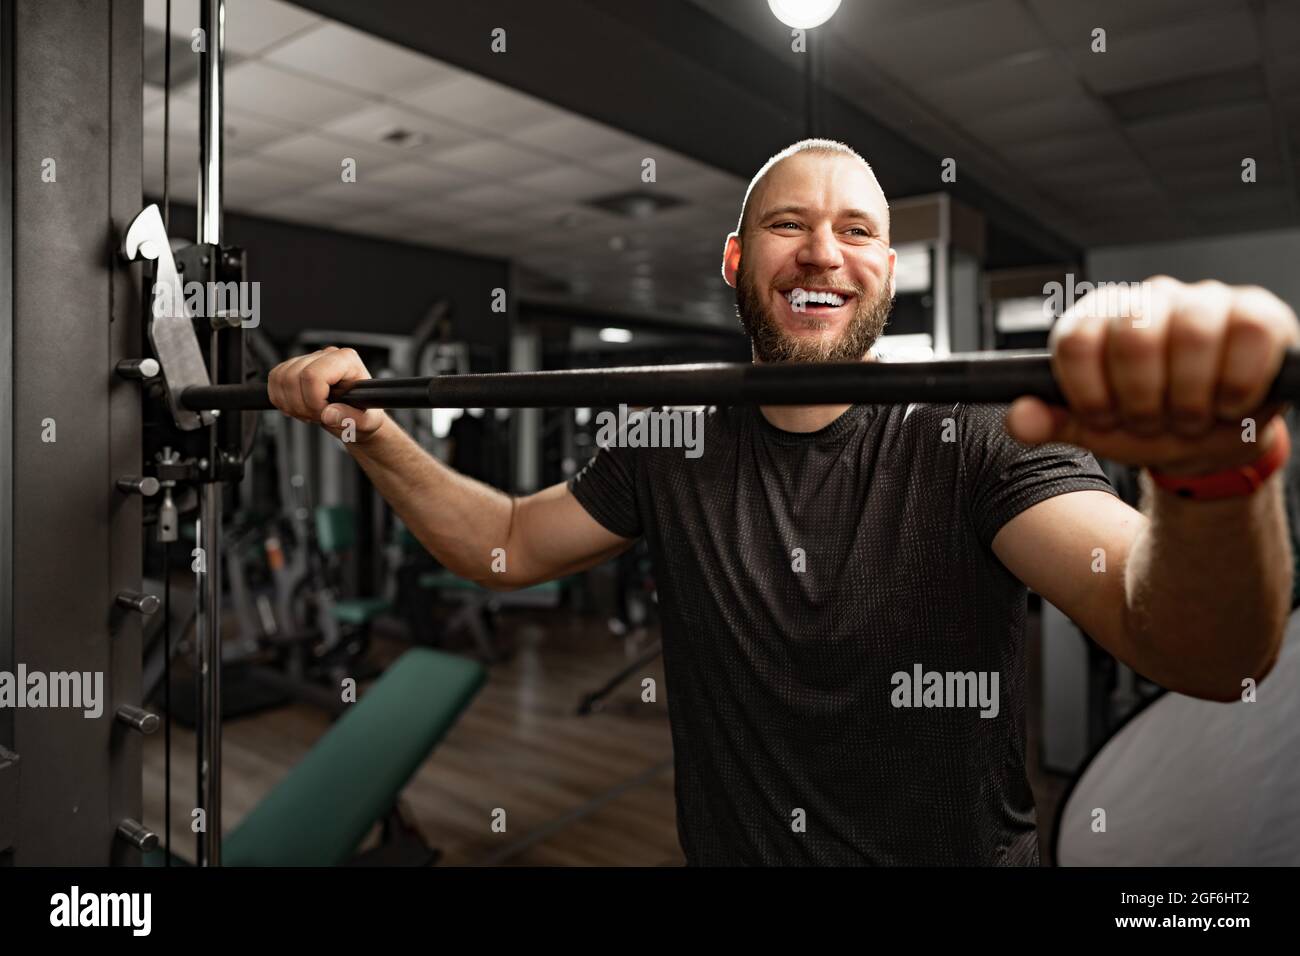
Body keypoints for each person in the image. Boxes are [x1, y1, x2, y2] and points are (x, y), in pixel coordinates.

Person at [266, 139, 1298, 865]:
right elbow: (500, 543)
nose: (820, 252)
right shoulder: (668, 438)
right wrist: (364, 425)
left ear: (886, 274)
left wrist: (1208, 480)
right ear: (733, 259)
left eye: (856, 231)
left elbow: (1199, 651)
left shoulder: (969, 436)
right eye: (787, 225)